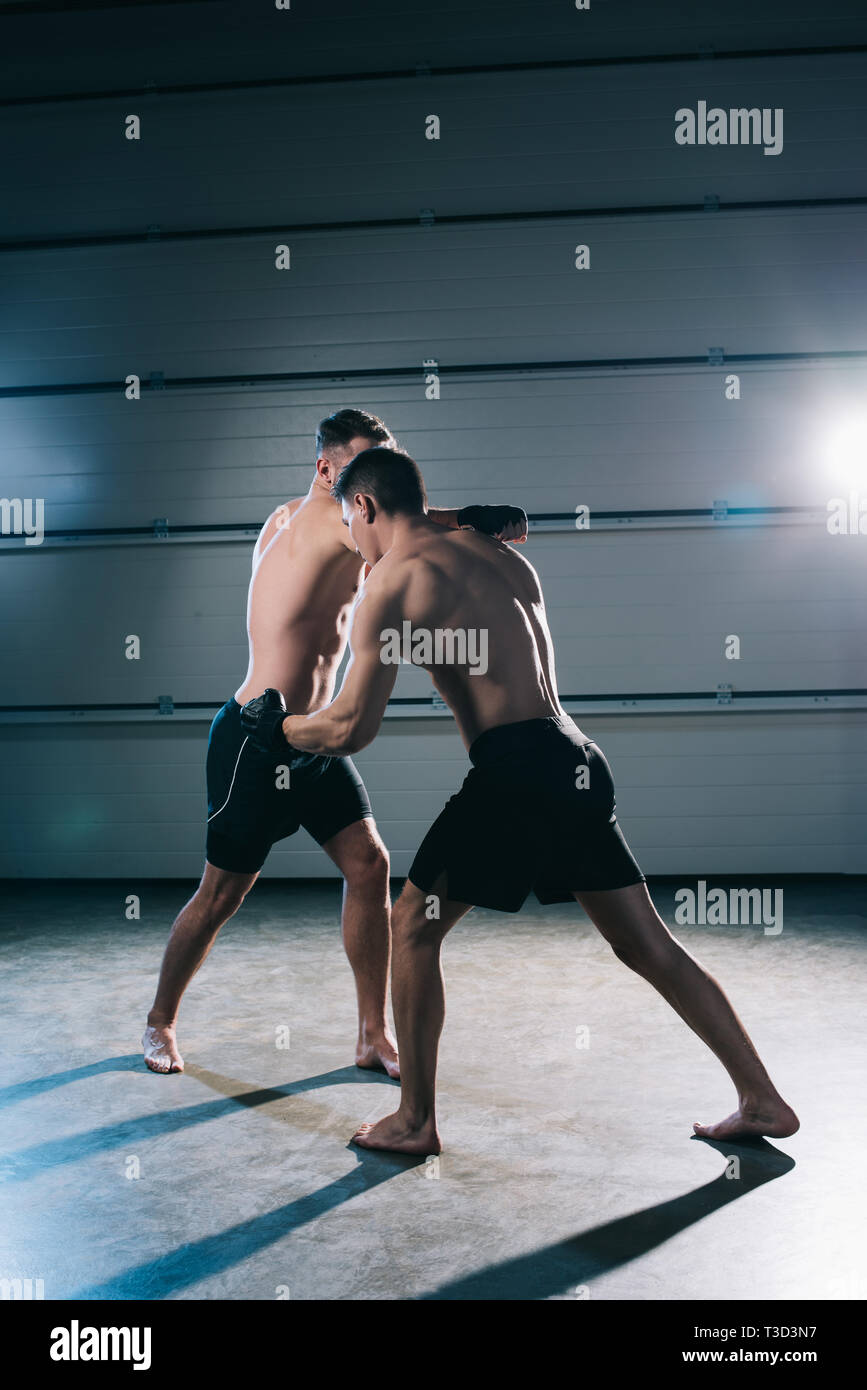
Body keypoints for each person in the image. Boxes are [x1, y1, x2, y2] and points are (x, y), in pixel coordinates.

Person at [241, 446, 800, 1154]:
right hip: (573, 757)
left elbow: (350, 728)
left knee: (411, 927)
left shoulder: (391, 582)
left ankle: (413, 1121)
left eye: (351, 525)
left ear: (363, 507)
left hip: (516, 771)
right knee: (644, 944)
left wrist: (279, 727)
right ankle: (762, 1099)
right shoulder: (498, 558)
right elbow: (438, 552)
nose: (352, 544)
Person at [142, 413, 527, 1075]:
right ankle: (158, 1021)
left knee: (369, 866)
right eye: (355, 474)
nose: (367, 494)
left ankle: (371, 1034)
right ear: (326, 471)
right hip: (256, 739)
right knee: (221, 896)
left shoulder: (305, 515)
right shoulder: (327, 519)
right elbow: (410, 524)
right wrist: (473, 517)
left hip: (314, 739)